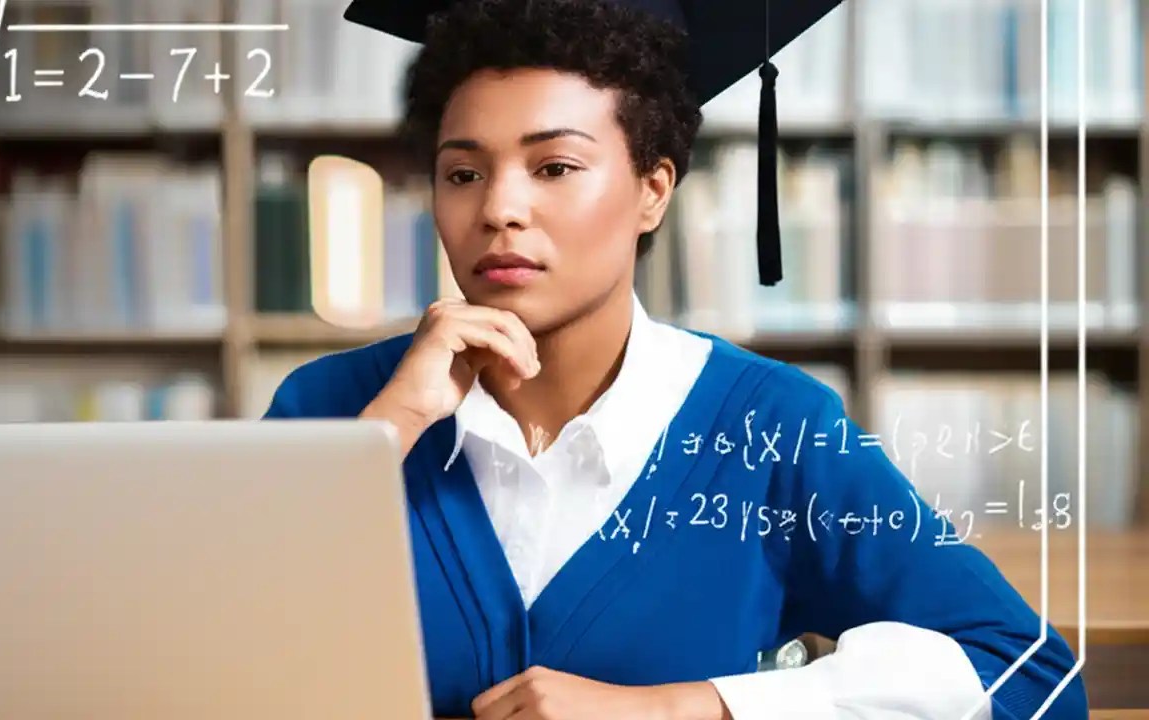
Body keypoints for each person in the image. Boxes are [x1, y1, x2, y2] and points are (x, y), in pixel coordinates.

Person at [264, 0, 1089, 717]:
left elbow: (1028, 675)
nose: (499, 208)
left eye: (555, 166)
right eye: (462, 172)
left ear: (654, 189)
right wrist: (388, 433)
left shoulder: (771, 428)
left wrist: (692, 707)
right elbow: (198, 656)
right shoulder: (332, 410)